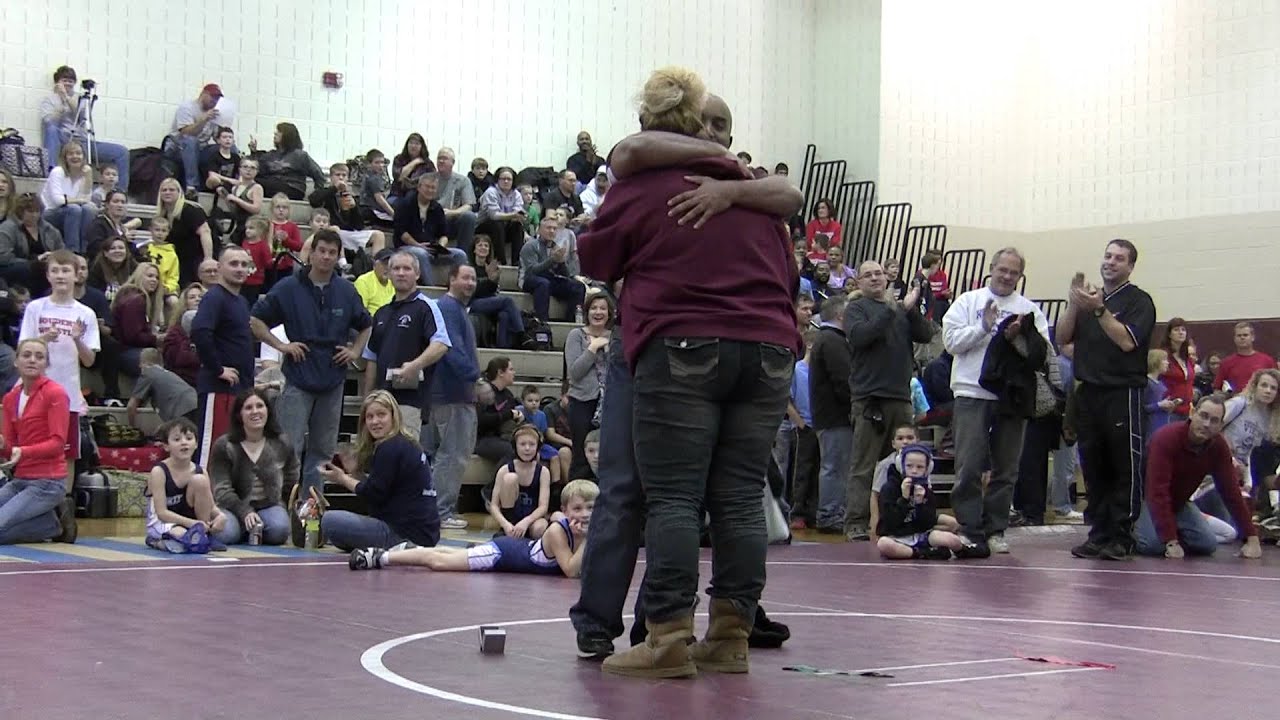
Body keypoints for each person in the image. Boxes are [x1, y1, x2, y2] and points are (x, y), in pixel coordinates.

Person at [579, 68, 802, 679]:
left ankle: (668, 638)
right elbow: (788, 276)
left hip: (683, 347)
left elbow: (596, 257)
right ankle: (730, 636)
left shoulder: (645, 182)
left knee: (673, 498)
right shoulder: (752, 187)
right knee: (738, 500)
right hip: (768, 351)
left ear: (652, 123)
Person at [941, 248, 1050, 556]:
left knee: (1007, 467)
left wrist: (1018, 337)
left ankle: (996, 528)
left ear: (1020, 276)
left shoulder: (1029, 310)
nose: (1006, 276)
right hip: (971, 392)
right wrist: (984, 327)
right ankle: (970, 527)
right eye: (1002, 270)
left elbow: (1042, 353)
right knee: (968, 464)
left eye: (1013, 272)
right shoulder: (967, 301)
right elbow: (951, 343)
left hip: (1012, 398)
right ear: (991, 268)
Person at [252, 229, 372, 501]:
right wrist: (282, 346)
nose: (327, 257)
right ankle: (278, 504)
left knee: (323, 450)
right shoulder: (288, 287)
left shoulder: (346, 290)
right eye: (322, 251)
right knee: (287, 446)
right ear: (311, 253)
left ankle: (310, 508)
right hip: (298, 376)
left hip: (333, 378)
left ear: (338, 256)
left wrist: (354, 351)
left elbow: (366, 325)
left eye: (333, 252)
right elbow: (256, 320)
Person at [1056, 239, 1157, 561]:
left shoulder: (1139, 301)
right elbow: (1062, 338)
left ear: (1130, 266)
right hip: (1089, 392)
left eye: (1119, 258)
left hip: (1121, 392)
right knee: (1094, 466)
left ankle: (1121, 535)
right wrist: (1074, 303)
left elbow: (1127, 341)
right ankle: (1098, 532)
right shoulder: (1089, 300)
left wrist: (1099, 309)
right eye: (1108, 256)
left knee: (1123, 466)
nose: (1111, 262)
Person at [844, 261, 934, 541]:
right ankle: (856, 522)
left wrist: (909, 310)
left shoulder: (900, 309)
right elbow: (861, 336)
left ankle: (908, 515)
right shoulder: (856, 309)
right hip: (870, 398)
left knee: (908, 461)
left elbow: (926, 334)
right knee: (864, 463)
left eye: (878, 273)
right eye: (867, 275)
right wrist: (892, 309)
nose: (874, 278)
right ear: (858, 282)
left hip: (900, 397)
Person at [348, 479, 595, 576]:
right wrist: (589, 538)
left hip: (510, 553)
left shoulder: (581, 530)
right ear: (565, 508)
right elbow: (572, 571)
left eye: (590, 508)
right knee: (439, 563)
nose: (584, 515)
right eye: (578, 508)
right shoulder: (558, 531)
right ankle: (381, 557)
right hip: (502, 554)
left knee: (447, 554)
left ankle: (411, 549)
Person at [1136, 396, 1263, 559]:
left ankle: (1165, 530)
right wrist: (1171, 541)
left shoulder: (1218, 447)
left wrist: (1251, 538)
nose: (1207, 424)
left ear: (1220, 425)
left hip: (1178, 502)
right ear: (1192, 412)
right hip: (1145, 499)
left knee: (1207, 544)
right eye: (1203, 416)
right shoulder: (1166, 438)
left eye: (1214, 420)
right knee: (1152, 545)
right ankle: (1129, 528)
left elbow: (1231, 491)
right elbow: (1156, 492)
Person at [317, 390, 441, 551]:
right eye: (370, 417)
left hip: (403, 534)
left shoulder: (389, 447)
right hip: (424, 534)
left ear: (393, 416)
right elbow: (382, 492)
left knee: (329, 520)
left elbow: (374, 495)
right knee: (341, 534)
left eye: (381, 415)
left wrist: (342, 478)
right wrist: (356, 473)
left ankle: (399, 547)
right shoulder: (407, 444)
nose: (375, 421)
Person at [19, 250, 98, 478]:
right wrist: (43, 339)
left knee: (67, 454)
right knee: (30, 449)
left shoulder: (86, 314)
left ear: (76, 275)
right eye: (55, 270)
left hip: (68, 396)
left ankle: (64, 505)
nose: (60, 275)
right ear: (48, 276)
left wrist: (76, 339)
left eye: (65, 270)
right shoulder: (36, 308)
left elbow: (90, 360)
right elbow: (22, 350)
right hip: (34, 393)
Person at [360, 250, 451, 439]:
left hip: (409, 401)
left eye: (407, 268)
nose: (401, 273)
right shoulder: (381, 313)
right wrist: (367, 400)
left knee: (406, 456)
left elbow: (441, 344)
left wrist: (414, 366)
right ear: (389, 274)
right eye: (396, 268)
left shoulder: (426, 306)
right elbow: (372, 358)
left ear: (417, 274)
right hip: (381, 403)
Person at [0, 338, 77, 544]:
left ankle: (53, 525)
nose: (32, 360)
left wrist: (22, 452)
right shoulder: (10, 398)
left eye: (39, 356)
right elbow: (9, 450)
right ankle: (48, 518)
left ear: (46, 364)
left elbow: (58, 443)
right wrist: (2, 446)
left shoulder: (55, 393)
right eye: (26, 355)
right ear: (16, 362)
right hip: (20, 480)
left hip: (48, 481)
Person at [425, 264, 481, 531]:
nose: (470, 283)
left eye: (473, 278)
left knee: (445, 455)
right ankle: (441, 511)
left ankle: (438, 509)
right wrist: (476, 377)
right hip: (452, 394)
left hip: (450, 394)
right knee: (452, 455)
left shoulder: (456, 309)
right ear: (451, 280)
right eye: (465, 278)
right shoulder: (448, 308)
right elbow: (451, 350)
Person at [190, 246, 255, 463]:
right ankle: (201, 497)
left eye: (244, 264)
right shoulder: (214, 298)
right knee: (211, 454)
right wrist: (217, 369)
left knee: (230, 457)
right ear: (219, 268)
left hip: (239, 389)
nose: (239, 269)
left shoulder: (241, 301)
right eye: (233, 264)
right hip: (218, 390)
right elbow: (200, 331)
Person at [207, 389, 297, 546]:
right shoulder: (224, 445)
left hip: (269, 506)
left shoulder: (283, 443)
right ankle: (245, 528)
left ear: (268, 410)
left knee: (279, 530)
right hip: (232, 507)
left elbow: (292, 477)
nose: (255, 411)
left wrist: (281, 504)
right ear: (239, 414)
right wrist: (245, 512)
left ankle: (254, 528)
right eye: (248, 408)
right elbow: (222, 490)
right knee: (226, 535)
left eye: (260, 406)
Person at [39, 66, 130, 191]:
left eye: (71, 81)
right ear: (57, 82)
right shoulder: (49, 100)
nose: (67, 83)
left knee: (122, 152)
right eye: (64, 80)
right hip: (64, 139)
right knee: (51, 128)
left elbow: (82, 115)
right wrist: (59, 109)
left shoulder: (80, 98)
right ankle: (50, 172)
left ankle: (120, 191)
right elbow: (48, 121)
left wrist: (66, 97)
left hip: (83, 140)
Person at [144, 418, 228, 553]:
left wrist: (220, 516)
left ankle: (203, 535)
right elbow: (161, 513)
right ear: (166, 446)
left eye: (189, 438)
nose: (184, 443)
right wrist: (192, 523)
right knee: (182, 534)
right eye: (177, 440)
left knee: (200, 480)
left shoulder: (201, 471)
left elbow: (210, 506)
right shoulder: (159, 472)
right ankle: (157, 541)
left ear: (196, 444)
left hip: (191, 523)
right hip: (164, 522)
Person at [808, 294, 853, 533]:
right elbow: (844, 381)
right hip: (835, 417)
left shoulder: (827, 339)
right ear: (840, 315)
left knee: (834, 465)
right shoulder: (833, 341)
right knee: (835, 466)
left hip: (828, 416)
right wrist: (854, 407)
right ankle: (830, 514)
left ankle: (831, 512)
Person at [875, 444, 964, 560]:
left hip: (920, 535)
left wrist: (920, 503)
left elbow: (927, 523)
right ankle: (921, 553)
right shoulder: (889, 488)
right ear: (900, 465)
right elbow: (890, 522)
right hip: (896, 537)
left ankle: (965, 550)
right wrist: (904, 499)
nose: (914, 471)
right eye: (909, 466)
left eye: (920, 467)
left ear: (928, 468)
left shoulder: (925, 490)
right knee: (883, 544)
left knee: (952, 540)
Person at [564, 293, 613, 478]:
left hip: (610, 403)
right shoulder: (576, 335)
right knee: (582, 456)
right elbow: (575, 373)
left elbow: (619, 370)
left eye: (602, 308)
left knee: (609, 454)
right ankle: (577, 500)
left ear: (609, 313)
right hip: (582, 401)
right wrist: (592, 349)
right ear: (586, 312)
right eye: (593, 308)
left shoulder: (615, 337)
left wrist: (607, 349)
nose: (598, 312)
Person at [391, 174, 467, 280]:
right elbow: (401, 232)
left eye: (433, 188)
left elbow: (444, 234)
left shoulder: (437, 208)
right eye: (427, 187)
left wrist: (441, 246)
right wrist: (418, 245)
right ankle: (431, 289)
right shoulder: (405, 204)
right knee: (420, 253)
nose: (430, 190)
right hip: (407, 247)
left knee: (460, 254)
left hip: (431, 248)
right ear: (419, 187)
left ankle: (456, 285)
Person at [486, 424, 553, 540]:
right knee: (510, 478)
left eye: (532, 444)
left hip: (532, 519)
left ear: (538, 447)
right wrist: (505, 524)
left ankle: (532, 546)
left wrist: (526, 522)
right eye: (522, 444)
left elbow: (543, 507)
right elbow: (494, 505)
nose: (527, 448)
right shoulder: (504, 469)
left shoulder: (543, 471)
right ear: (515, 446)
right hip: (511, 520)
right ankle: (510, 531)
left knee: (540, 527)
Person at [308, 163, 387, 258]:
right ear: (331, 177)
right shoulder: (325, 192)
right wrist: (334, 188)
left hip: (347, 234)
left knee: (379, 235)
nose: (341, 178)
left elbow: (359, 226)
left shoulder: (351, 196)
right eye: (337, 175)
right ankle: (342, 263)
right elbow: (313, 200)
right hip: (331, 231)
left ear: (347, 178)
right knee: (335, 229)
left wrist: (354, 208)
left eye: (344, 175)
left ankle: (377, 266)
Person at [520, 216, 587, 323]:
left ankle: (570, 321)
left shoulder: (556, 247)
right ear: (539, 230)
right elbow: (532, 270)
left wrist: (561, 263)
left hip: (549, 279)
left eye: (554, 229)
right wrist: (552, 260)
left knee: (578, 286)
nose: (552, 231)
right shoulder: (531, 245)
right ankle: (542, 321)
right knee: (543, 283)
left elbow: (566, 275)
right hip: (529, 279)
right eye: (548, 228)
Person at [154, 178, 214, 287]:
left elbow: (205, 232)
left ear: (179, 192)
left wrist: (208, 259)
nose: (167, 192)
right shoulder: (162, 215)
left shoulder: (190, 210)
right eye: (164, 190)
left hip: (195, 259)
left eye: (171, 190)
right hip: (177, 261)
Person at [165, 83, 224, 194]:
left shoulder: (215, 112)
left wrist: (225, 138)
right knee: (191, 141)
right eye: (213, 97)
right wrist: (204, 120)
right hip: (178, 147)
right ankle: (192, 186)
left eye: (217, 99)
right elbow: (186, 133)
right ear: (203, 94)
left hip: (200, 149)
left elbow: (217, 138)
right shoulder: (187, 108)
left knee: (227, 147)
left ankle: (228, 185)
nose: (214, 101)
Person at [110, 263, 167, 377]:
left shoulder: (133, 296)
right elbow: (132, 337)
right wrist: (157, 338)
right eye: (149, 276)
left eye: (156, 277)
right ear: (140, 276)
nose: (154, 280)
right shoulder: (136, 300)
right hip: (125, 352)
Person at [40, 141, 96, 253]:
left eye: (78, 153)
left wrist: (89, 177)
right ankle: (72, 251)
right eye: (70, 154)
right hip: (50, 213)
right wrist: (79, 200)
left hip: (72, 213)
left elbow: (86, 200)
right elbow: (58, 201)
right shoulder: (58, 172)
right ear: (65, 158)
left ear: (83, 157)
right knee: (74, 209)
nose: (75, 156)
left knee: (89, 209)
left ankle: (84, 251)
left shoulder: (84, 175)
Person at [0, 194, 63, 293]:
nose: (34, 215)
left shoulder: (49, 229)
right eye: (30, 211)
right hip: (18, 269)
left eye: (37, 211)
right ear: (20, 212)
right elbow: (3, 257)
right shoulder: (7, 228)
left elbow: (61, 250)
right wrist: (35, 261)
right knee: (27, 269)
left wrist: (52, 257)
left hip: (45, 266)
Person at [250, 122, 328, 201]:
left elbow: (318, 174)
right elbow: (257, 170)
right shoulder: (270, 155)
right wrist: (253, 152)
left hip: (292, 188)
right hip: (272, 185)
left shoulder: (300, 155)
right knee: (250, 180)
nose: (275, 133)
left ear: (288, 135)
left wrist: (318, 194)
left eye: (279, 131)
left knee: (256, 183)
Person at [128, 348, 199, 426]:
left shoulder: (148, 372)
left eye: (140, 362)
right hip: (195, 401)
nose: (139, 366)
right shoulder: (168, 374)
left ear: (145, 363)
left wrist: (132, 426)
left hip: (180, 408)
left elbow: (131, 406)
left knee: (179, 435)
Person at [430, 149, 478, 258]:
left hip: (451, 220)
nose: (441, 161)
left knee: (469, 216)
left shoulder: (463, 181)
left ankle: (462, 255)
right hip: (432, 220)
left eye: (445, 158)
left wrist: (453, 212)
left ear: (453, 162)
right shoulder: (429, 178)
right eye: (439, 158)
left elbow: (468, 206)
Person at [476, 166, 526, 264]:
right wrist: (513, 215)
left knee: (517, 226)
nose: (506, 181)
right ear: (497, 180)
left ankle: (517, 261)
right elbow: (494, 215)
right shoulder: (491, 192)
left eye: (509, 179)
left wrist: (519, 216)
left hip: (505, 227)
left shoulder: (516, 194)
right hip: (485, 226)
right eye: (503, 179)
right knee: (497, 224)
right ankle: (501, 261)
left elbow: (518, 214)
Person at [1214, 322, 1276, 395]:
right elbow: (1217, 389)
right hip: (1235, 402)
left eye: (1245, 335)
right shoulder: (1226, 363)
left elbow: (1276, 385)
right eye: (1239, 335)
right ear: (1234, 339)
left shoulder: (1267, 361)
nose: (1242, 337)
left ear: (1252, 337)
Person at [84, 188, 139, 261]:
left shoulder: (122, 228)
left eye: (123, 202)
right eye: (116, 201)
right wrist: (123, 239)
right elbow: (95, 249)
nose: (120, 205)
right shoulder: (98, 224)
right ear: (107, 205)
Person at [1157, 318, 1196, 418]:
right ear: (1169, 334)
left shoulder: (1188, 359)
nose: (1181, 332)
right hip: (1170, 409)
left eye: (1183, 330)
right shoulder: (1163, 356)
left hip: (1188, 409)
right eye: (1176, 330)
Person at [389, 133, 435, 201]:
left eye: (416, 144)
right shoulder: (399, 159)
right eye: (411, 143)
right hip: (397, 194)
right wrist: (415, 162)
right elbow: (399, 177)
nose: (413, 146)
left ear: (422, 146)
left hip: (418, 196)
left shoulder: (428, 164)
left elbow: (432, 182)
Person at [1144, 350, 1178, 441]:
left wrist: (1169, 405)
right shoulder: (1147, 383)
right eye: (1164, 360)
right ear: (1155, 361)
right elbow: (1141, 407)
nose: (1167, 363)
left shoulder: (1161, 383)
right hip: (1151, 427)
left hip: (1163, 423)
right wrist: (1159, 405)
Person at [354, 248, 395, 316]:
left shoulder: (394, 282)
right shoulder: (363, 282)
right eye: (384, 264)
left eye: (390, 265)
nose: (387, 268)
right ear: (374, 265)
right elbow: (360, 312)